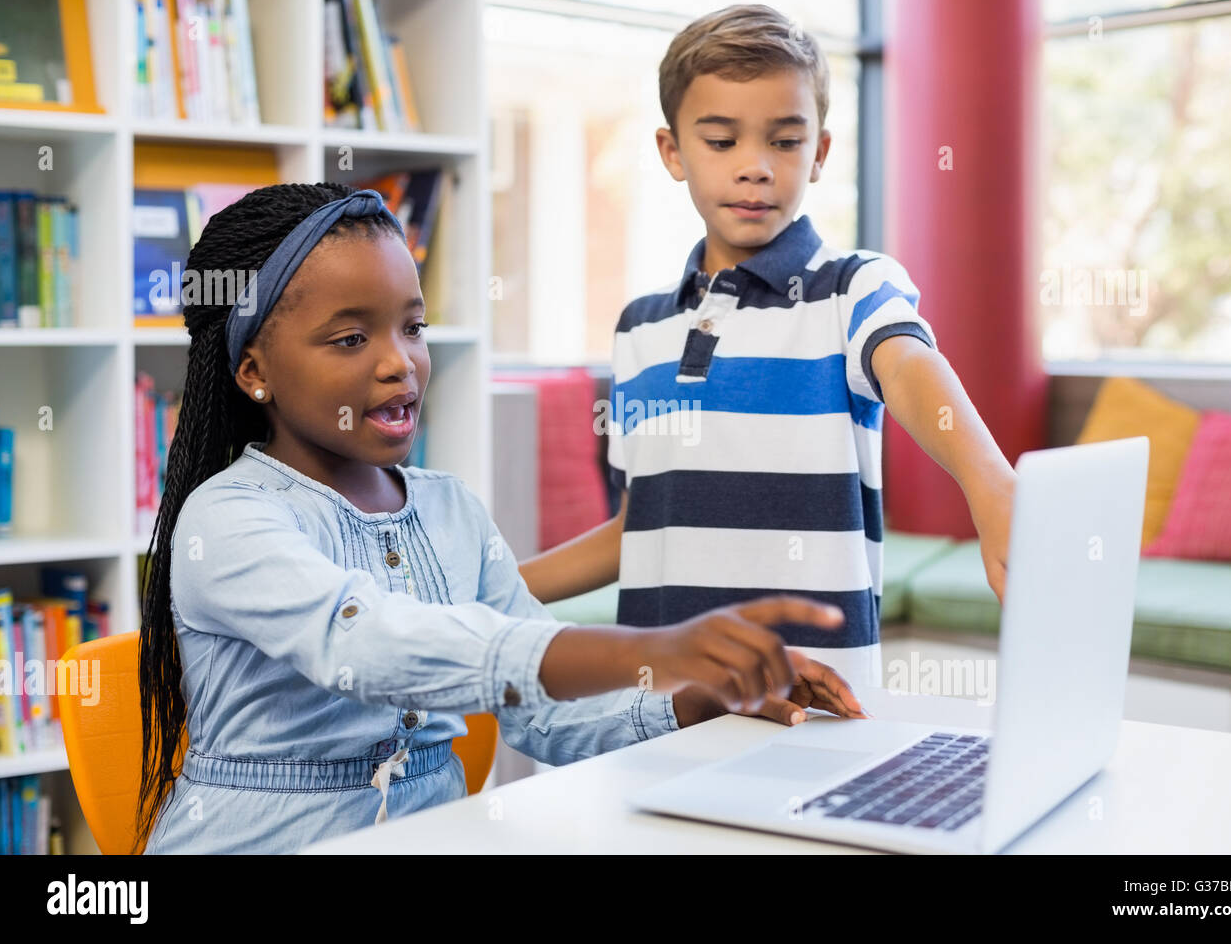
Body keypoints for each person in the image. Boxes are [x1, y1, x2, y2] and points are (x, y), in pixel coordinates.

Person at [136, 182, 865, 855]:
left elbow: (544, 713)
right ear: (254, 369)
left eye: (413, 327)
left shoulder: (450, 506)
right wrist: (656, 645)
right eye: (352, 338)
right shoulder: (227, 520)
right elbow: (369, 643)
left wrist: (696, 698)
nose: (402, 363)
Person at [519, 4, 1017, 693]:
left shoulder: (850, 288)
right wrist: (498, 591)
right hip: (660, 712)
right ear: (673, 152)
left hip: (816, 706)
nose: (754, 168)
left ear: (819, 154)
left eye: (784, 142)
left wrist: (990, 484)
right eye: (721, 141)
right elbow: (638, 525)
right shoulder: (639, 329)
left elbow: (907, 365)